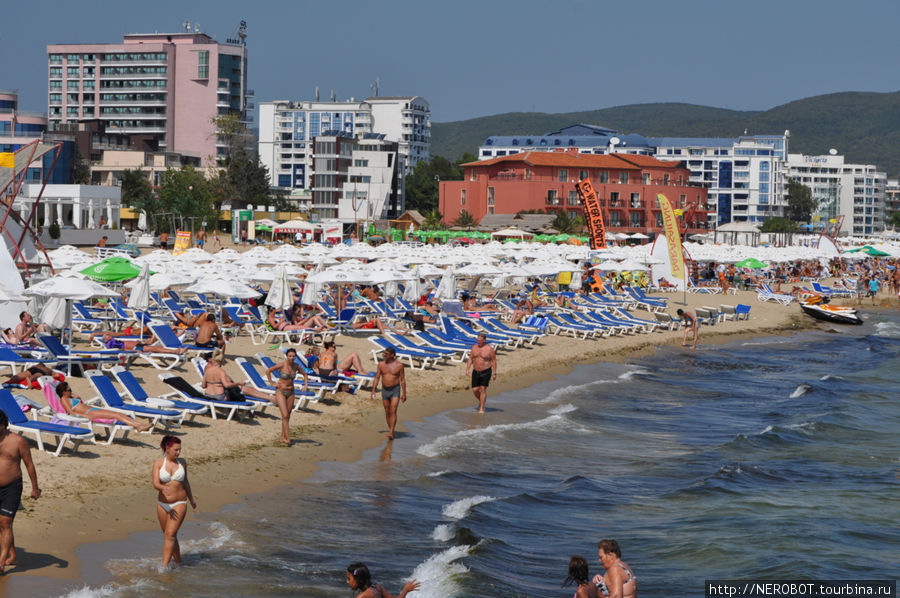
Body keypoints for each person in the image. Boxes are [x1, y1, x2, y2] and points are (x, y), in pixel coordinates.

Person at [0, 410, 40, 573]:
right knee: (1, 524)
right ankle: (13, 555)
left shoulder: (18, 441)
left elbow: (29, 464)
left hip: (12, 486)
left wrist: (35, 488)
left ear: (2, 426)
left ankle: (1, 561)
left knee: (5, 522)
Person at [151, 435, 196, 570]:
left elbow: (186, 482)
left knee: (169, 535)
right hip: (162, 504)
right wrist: (162, 487)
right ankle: (178, 562)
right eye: (176, 450)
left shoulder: (182, 463)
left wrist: (192, 499)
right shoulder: (158, 463)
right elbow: (155, 483)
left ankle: (163, 568)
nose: (178, 452)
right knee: (169, 535)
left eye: (180, 450)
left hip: (179, 503)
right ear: (167, 448)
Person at [57, 382, 153, 432]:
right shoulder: (64, 399)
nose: (71, 391)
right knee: (116, 415)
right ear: (63, 392)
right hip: (89, 413)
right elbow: (70, 412)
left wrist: (76, 396)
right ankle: (138, 426)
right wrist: (84, 416)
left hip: (92, 409)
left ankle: (140, 425)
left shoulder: (70, 397)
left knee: (120, 414)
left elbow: (79, 403)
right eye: (69, 390)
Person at [265, 348, 308, 446]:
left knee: (287, 416)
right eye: (290, 356)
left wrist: (306, 385)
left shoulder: (296, 366)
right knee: (284, 415)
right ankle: (288, 438)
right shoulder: (282, 365)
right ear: (287, 356)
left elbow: (305, 375)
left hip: (291, 392)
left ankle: (283, 437)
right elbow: (268, 371)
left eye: (293, 356)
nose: (292, 358)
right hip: (280, 391)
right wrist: (272, 383)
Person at [200, 351, 269, 402]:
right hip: (222, 392)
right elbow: (226, 384)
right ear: (210, 359)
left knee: (250, 389)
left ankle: (268, 397)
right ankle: (270, 398)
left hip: (212, 393)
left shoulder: (211, 368)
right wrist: (237, 383)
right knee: (246, 390)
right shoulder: (212, 369)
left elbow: (204, 385)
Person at [370, 347, 407, 439]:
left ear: (392, 355)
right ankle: (390, 428)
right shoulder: (381, 364)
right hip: (385, 389)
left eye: (386, 354)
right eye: (384, 354)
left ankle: (391, 432)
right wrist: (373, 390)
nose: (384, 355)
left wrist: (404, 393)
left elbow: (402, 380)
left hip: (395, 389)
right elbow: (377, 377)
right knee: (387, 411)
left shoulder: (399, 365)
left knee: (393, 410)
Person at [345, 562, 419, 598]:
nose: (347, 581)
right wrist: (405, 590)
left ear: (358, 579)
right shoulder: (377, 587)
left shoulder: (361, 597)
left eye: (349, 579)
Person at [466, 333, 497, 413]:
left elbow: (494, 360)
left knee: (483, 389)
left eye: (480, 340)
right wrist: (467, 369)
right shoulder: (474, 348)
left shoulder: (489, 349)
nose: (478, 342)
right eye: (477, 340)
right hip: (476, 371)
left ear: (484, 340)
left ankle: (481, 408)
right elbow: (470, 358)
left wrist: (494, 373)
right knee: (475, 390)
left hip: (486, 371)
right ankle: (482, 401)